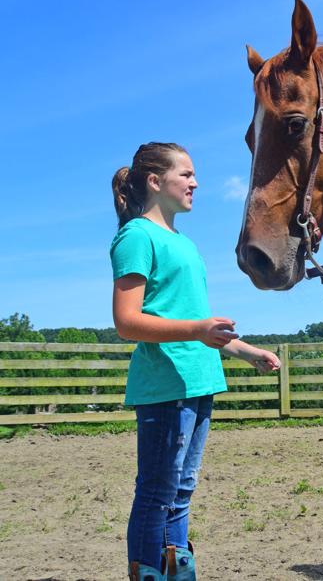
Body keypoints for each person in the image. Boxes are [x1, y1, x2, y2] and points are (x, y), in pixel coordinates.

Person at [110, 142, 281, 581]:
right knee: (156, 494)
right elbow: (127, 322)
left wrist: (246, 352)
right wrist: (197, 331)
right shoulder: (137, 237)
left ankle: (177, 574)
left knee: (180, 493)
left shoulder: (182, 243)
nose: (195, 182)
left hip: (199, 381)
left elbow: (197, 323)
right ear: (155, 182)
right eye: (185, 174)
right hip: (166, 385)